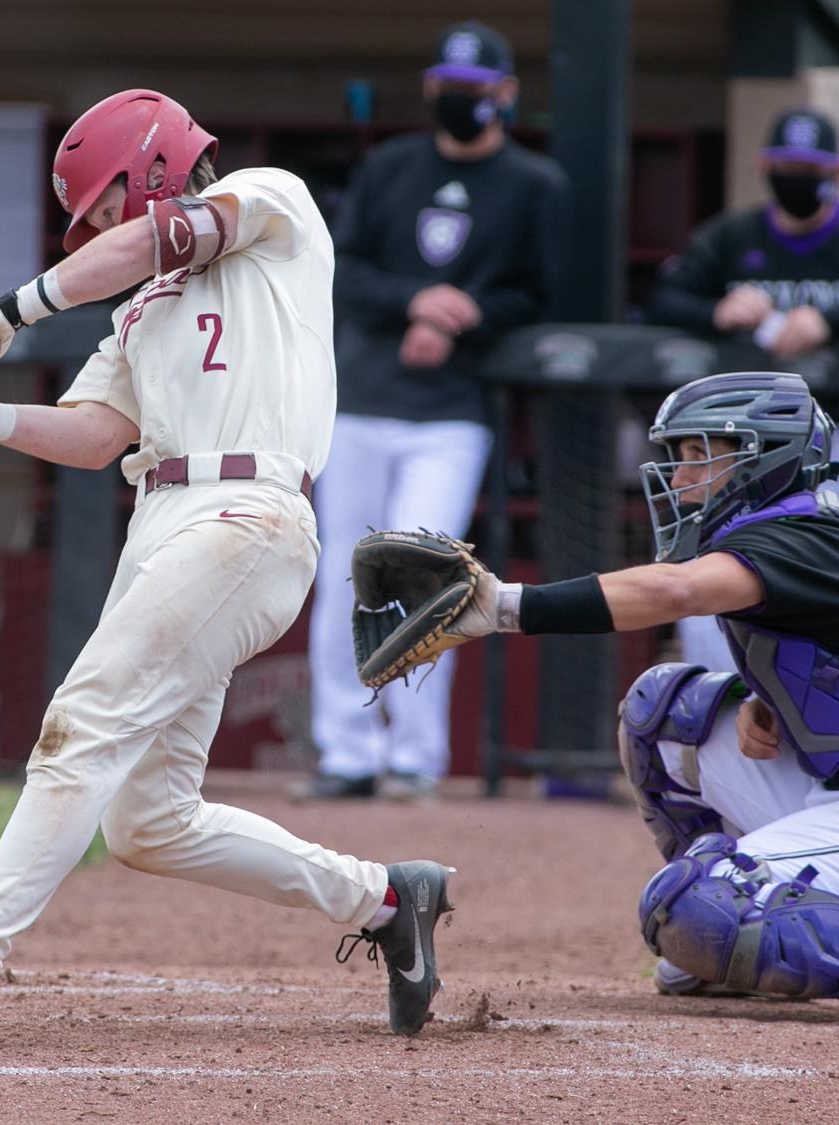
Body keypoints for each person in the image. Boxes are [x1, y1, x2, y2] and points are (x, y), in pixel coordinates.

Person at [0, 89, 456, 1046]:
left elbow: (139, 246)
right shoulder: (138, 313)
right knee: (149, 824)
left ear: (151, 163)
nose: (96, 226)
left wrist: (8, 310)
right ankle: (386, 899)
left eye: (102, 200)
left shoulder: (267, 198)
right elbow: (94, 435)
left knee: (83, 725)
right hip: (160, 524)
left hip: (247, 514)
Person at [355, 370, 839, 1030]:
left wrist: (504, 606)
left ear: (765, 458)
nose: (681, 478)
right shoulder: (791, 537)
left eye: (700, 455)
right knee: (664, 710)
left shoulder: (806, 536)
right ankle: (745, 937)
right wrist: (768, 701)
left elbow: (675, 592)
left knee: (694, 901)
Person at [302, 20, 569, 801]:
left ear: (506, 95)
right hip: (361, 402)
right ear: (430, 90)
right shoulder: (388, 168)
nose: (461, 103)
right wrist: (416, 300)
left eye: (477, 92)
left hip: (454, 409)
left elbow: (542, 293)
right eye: (450, 90)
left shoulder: (534, 185)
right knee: (340, 577)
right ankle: (346, 751)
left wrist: (465, 312)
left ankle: (415, 757)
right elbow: (344, 272)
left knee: (429, 578)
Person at [645, 107, 839, 678]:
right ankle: (724, 709)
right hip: (738, 452)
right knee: (716, 577)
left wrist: (832, 318)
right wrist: (717, 310)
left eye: (809, 166)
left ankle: (813, 719)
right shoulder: (733, 236)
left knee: (826, 576)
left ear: (837, 171)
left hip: (838, 441)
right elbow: (662, 300)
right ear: (764, 167)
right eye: (785, 165)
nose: (796, 176)